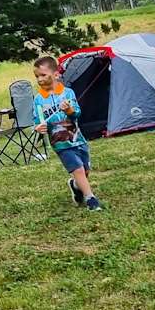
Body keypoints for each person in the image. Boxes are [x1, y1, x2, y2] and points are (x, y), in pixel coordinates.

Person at [31, 55, 103, 211]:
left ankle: (76, 185)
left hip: (77, 137)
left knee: (84, 169)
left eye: (43, 75)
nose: (39, 79)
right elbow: (38, 120)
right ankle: (91, 199)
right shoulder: (38, 100)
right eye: (37, 76)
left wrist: (70, 110)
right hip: (59, 142)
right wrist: (38, 127)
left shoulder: (68, 93)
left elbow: (76, 113)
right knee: (77, 169)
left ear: (56, 74)